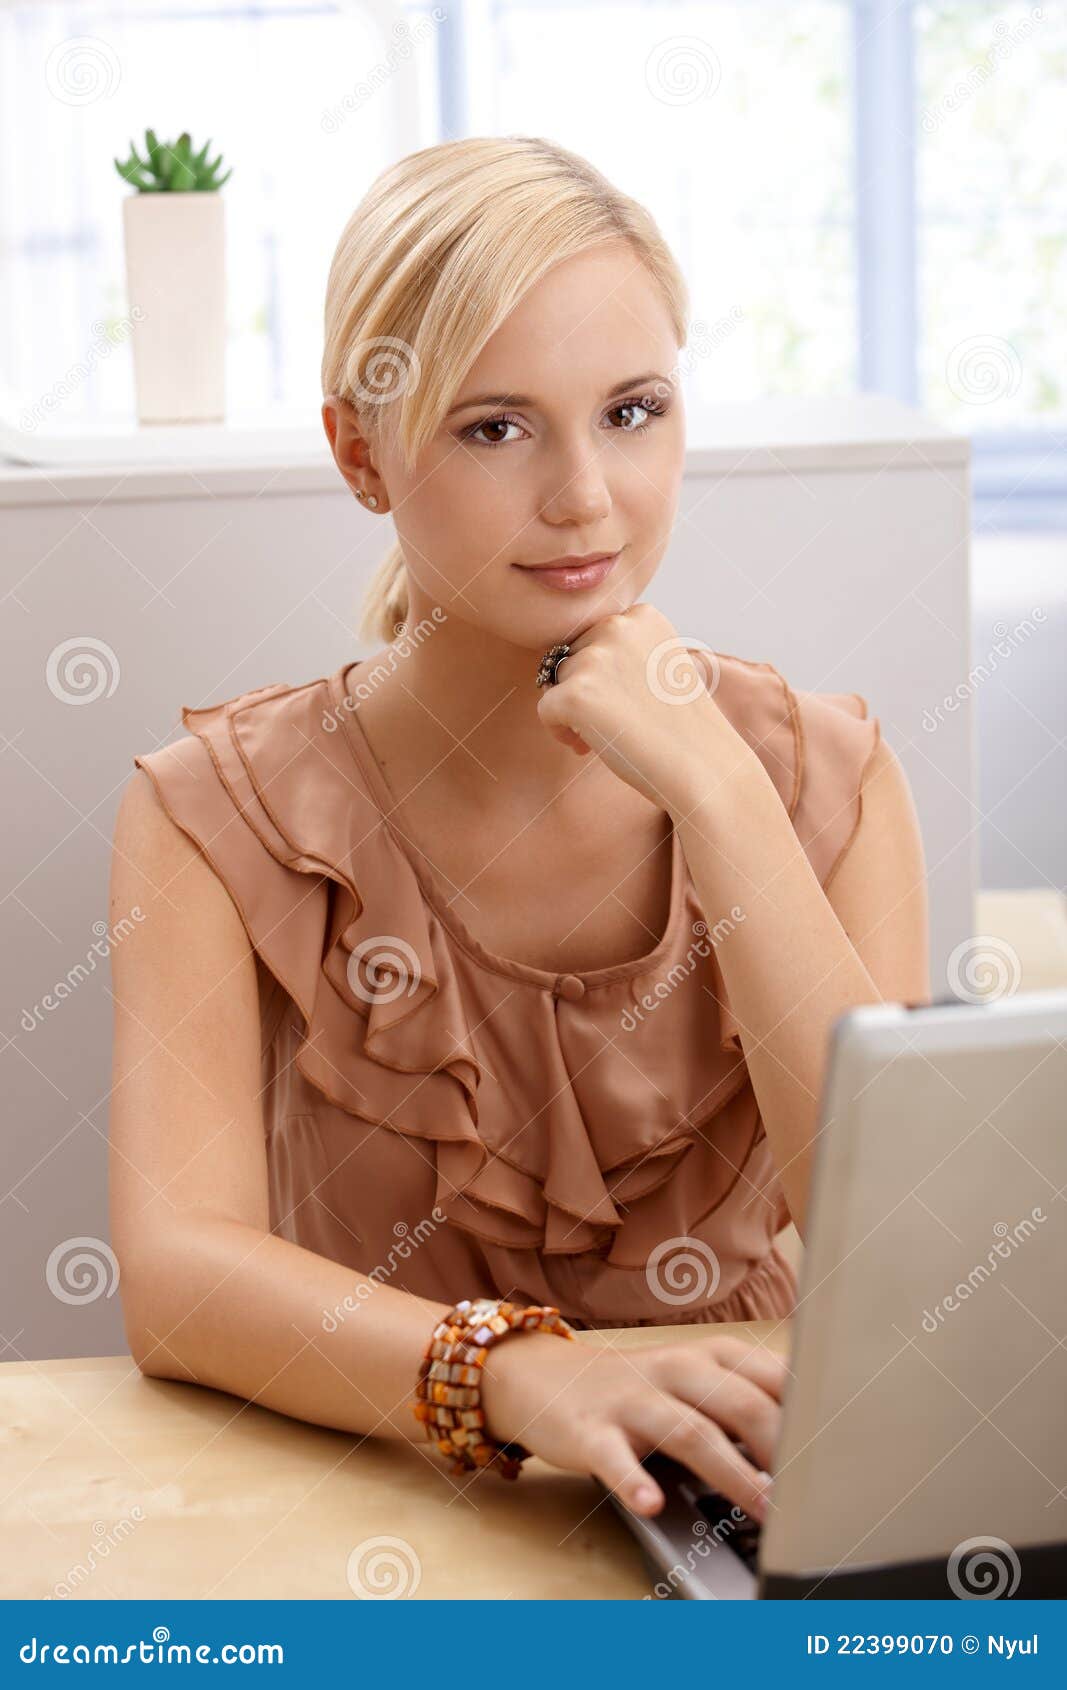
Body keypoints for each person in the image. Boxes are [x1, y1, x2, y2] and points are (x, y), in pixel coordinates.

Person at [109, 135, 930, 1527]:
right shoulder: (212, 812)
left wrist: (723, 799)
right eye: (496, 426)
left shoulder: (829, 774)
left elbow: (902, 1249)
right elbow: (179, 1276)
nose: (585, 496)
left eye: (633, 410)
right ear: (360, 451)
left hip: (770, 1485)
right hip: (390, 1501)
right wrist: (520, 1378)